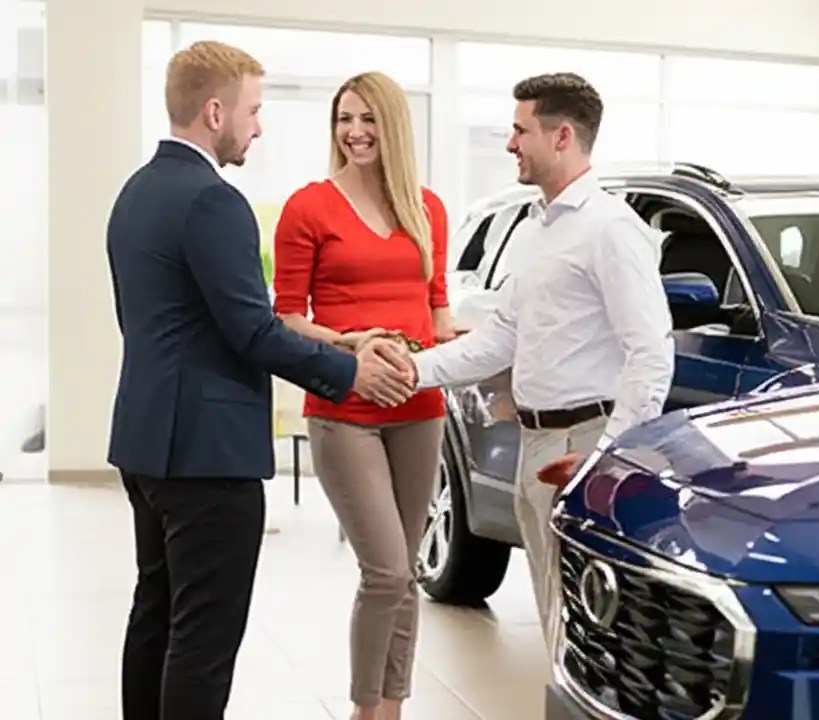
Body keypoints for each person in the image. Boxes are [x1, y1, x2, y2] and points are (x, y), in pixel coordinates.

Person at [106, 42, 415, 720]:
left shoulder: (136, 192)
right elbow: (251, 331)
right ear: (215, 112)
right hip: (208, 454)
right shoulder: (213, 201)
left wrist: (341, 339)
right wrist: (351, 372)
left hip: (146, 440)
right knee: (203, 638)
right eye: (252, 110)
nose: (258, 126)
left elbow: (176, 321)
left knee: (155, 612)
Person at [400, 72, 675, 653]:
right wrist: (412, 371)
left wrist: (606, 458)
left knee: (593, 631)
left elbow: (651, 354)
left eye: (520, 130)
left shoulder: (610, 229)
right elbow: (501, 339)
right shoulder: (538, 230)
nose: (509, 144)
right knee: (556, 617)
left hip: (585, 443)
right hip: (536, 444)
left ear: (562, 136)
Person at [270, 70, 453, 720]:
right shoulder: (309, 207)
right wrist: (350, 343)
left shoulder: (427, 209)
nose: (354, 132)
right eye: (344, 118)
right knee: (386, 571)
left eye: (368, 118)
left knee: (409, 574)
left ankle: (392, 706)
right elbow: (285, 319)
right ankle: (362, 709)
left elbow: (438, 312)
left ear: (393, 126)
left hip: (420, 409)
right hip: (344, 411)